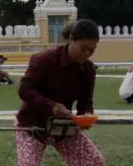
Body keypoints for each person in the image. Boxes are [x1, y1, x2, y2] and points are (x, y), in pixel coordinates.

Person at [15, 19, 104, 166]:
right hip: (32, 124)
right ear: (71, 39)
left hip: (63, 125)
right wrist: (52, 106)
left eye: (92, 50)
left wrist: (86, 114)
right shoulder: (44, 60)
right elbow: (24, 90)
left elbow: (85, 100)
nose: (87, 54)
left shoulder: (88, 70)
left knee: (94, 161)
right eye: (83, 49)